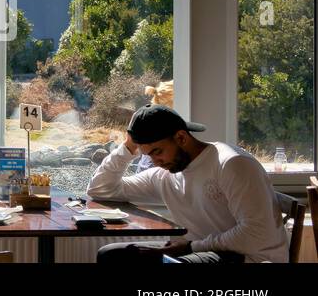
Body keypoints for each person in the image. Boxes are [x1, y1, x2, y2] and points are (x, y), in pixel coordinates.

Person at [87, 105, 288, 263]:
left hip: (249, 257)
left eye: (157, 151)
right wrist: (129, 147)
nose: (155, 161)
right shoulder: (165, 174)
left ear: (181, 137)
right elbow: (101, 189)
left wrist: (189, 247)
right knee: (111, 255)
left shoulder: (231, 163)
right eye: (148, 155)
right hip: (201, 250)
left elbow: (257, 233)